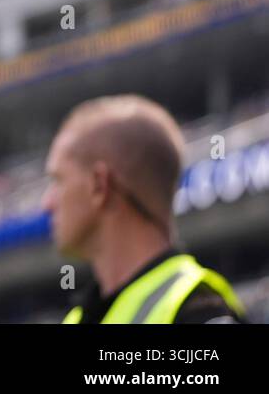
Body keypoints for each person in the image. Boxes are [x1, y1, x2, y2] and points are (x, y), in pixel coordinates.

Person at [42, 94, 246, 323]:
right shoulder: (77, 318)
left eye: (58, 180)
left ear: (100, 185)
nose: (47, 203)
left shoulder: (199, 309)